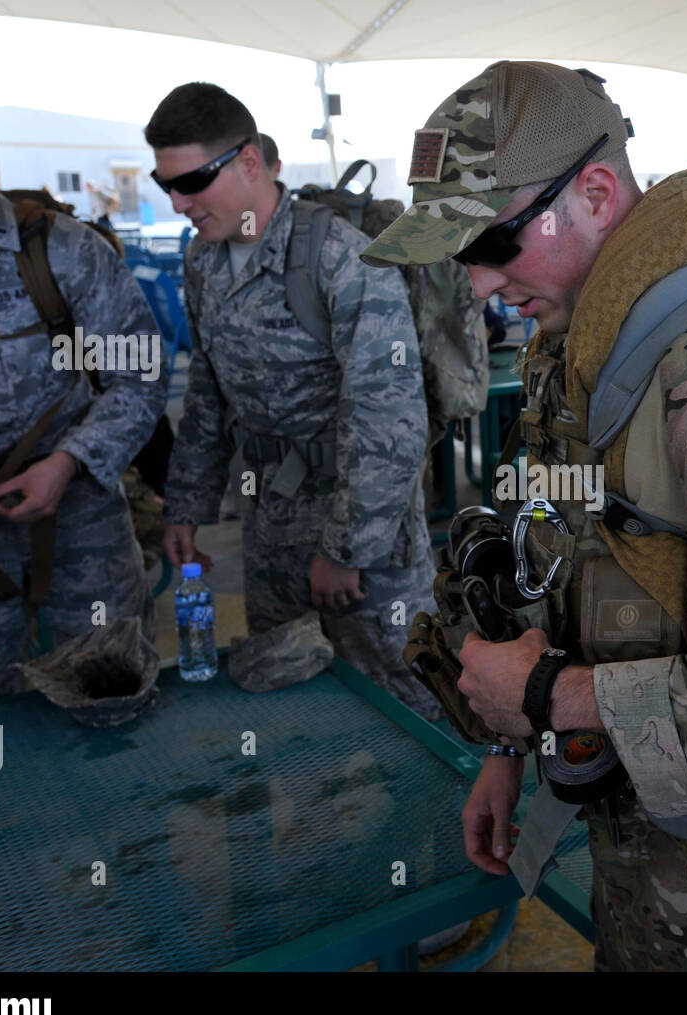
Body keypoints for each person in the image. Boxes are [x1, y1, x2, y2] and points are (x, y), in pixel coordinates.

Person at [363, 61, 687, 971]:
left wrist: (549, 697)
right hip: (639, 819)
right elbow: (558, 542)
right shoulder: (582, 335)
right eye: (462, 260)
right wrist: (509, 736)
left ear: (598, 193)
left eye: (491, 246)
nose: (483, 286)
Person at [144, 83, 437, 718]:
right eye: (165, 183)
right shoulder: (203, 259)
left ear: (249, 162)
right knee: (293, 705)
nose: (177, 201)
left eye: (192, 180)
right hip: (268, 523)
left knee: (402, 709)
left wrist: (345, 550)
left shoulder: (341, 255)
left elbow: (390, 416)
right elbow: (207, 394)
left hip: (367, 540)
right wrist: (186, 509)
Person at [0, 73, 165, 707]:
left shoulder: (61, 250)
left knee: (111, 700)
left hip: (83, 530)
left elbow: (140, 376)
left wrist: (68, 462)